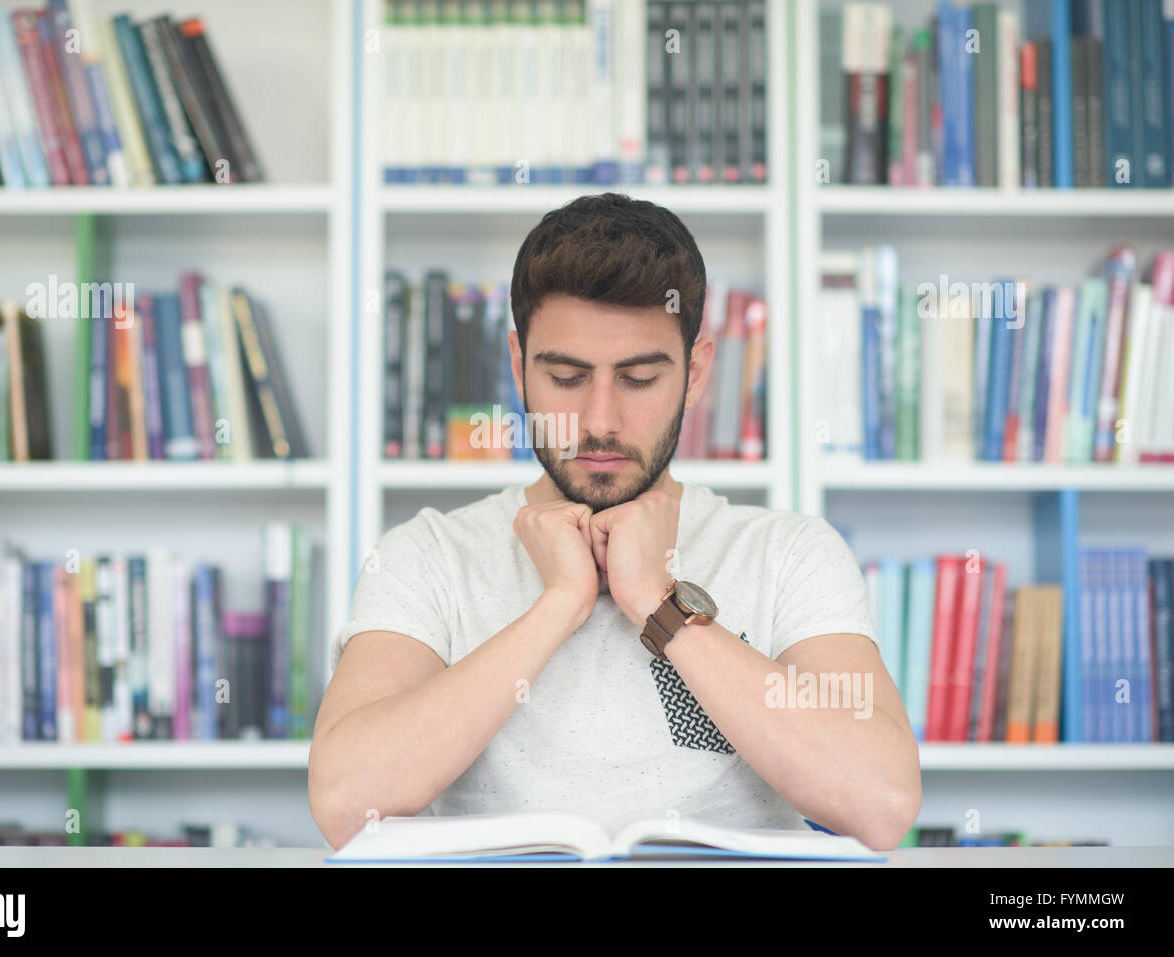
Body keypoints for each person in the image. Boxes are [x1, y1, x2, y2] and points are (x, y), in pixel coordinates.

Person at [308, 192, 921, 852]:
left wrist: (662, 605)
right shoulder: (426, 555)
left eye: (638, 378)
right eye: (567, 377)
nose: (599, 420)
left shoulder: (789, 553)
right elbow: (346, 800)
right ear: (518, 368)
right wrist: (559, 605)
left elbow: (881, 801)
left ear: (696, 373)